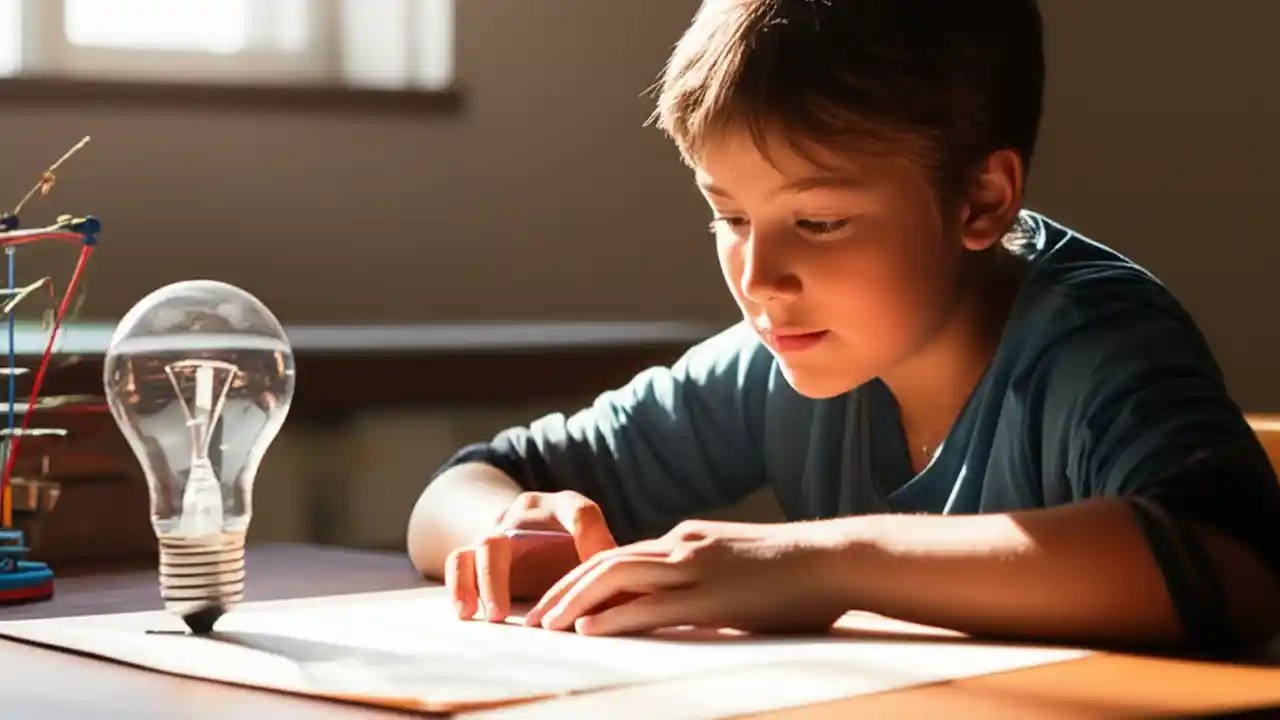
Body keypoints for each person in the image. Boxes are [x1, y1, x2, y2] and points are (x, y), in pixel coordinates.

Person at [406, 0, 1280, 652]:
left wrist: (818, 562)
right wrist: (510, 531)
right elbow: (462, 484)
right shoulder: (778, 361)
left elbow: (1241, 566)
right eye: (731, 217)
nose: (758, 279)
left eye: (819, 223)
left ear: (981, 199)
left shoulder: (1093, 347)